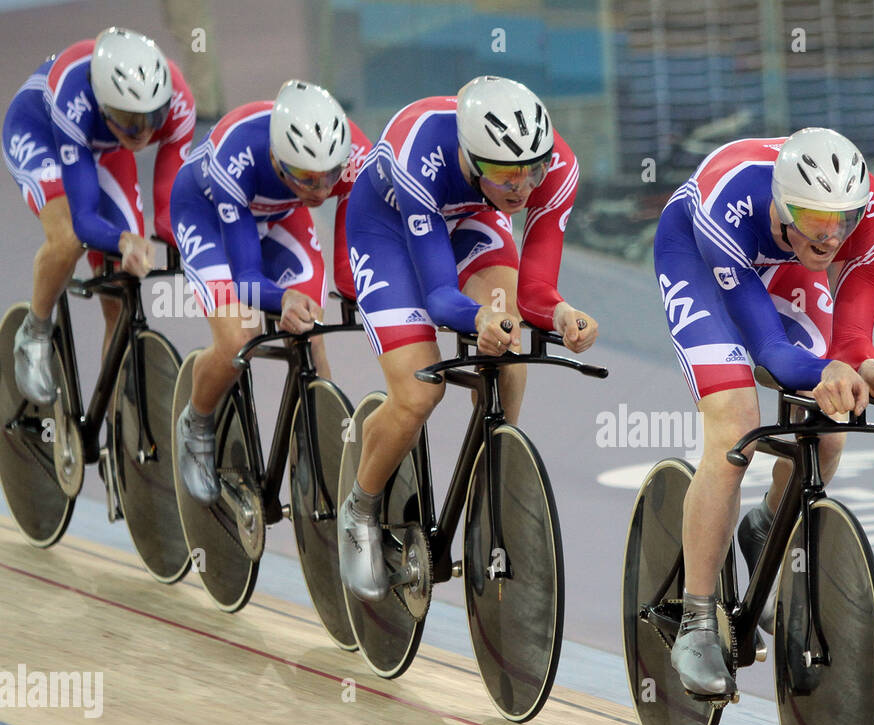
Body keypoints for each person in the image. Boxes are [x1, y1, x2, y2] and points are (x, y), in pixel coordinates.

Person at [653, 127, 874, 697]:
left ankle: (766, 526)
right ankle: (697, 620)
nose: (829, 239)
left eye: (840, 223)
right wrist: (828, 370)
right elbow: (770, 348)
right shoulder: (732, 195)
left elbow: (851, 338)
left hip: (779, 265)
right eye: (813, 219)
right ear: (780, 203)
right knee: (736, 427)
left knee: (830, 430)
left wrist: (865, 368)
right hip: (703, 259)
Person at [337, 75, 599, 601]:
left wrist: (564, 313)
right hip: (388, 228)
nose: (523, 187)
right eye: (506, 173)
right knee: (419, 392)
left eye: (533, 169)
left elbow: (536, 291)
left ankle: (489, 483)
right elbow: (438, 295)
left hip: (472, 218)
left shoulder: (558, 170)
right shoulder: (420, 155)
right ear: (471, 158)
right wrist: (476, 316)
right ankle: (359, 508)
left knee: (511, 354)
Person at [171, 79, 371, 505]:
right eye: (306, 179)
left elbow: (346, 238)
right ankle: (197, 421)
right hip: (207, 215)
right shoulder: (236, 153)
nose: (319, 191)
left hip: (279, 215)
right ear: (278, 163)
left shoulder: (351, 152)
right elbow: (245, 277)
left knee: (311, 331)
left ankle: (322, 444)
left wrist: (346, 289)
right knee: (236, 342)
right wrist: (281, 300)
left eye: (327, 178)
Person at [4, 27, 194, 405]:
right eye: (127, 117)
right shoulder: (74, 94)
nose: (141, 132)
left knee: (121, 290)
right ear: (103, 104)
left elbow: (168, 212)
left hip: (105, 145)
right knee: (69, 239)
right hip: (42, 134)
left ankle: (116, 437)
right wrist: (123, 240)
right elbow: (84, 218)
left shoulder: (178, 103)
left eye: (150, 117)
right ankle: (36, 330)